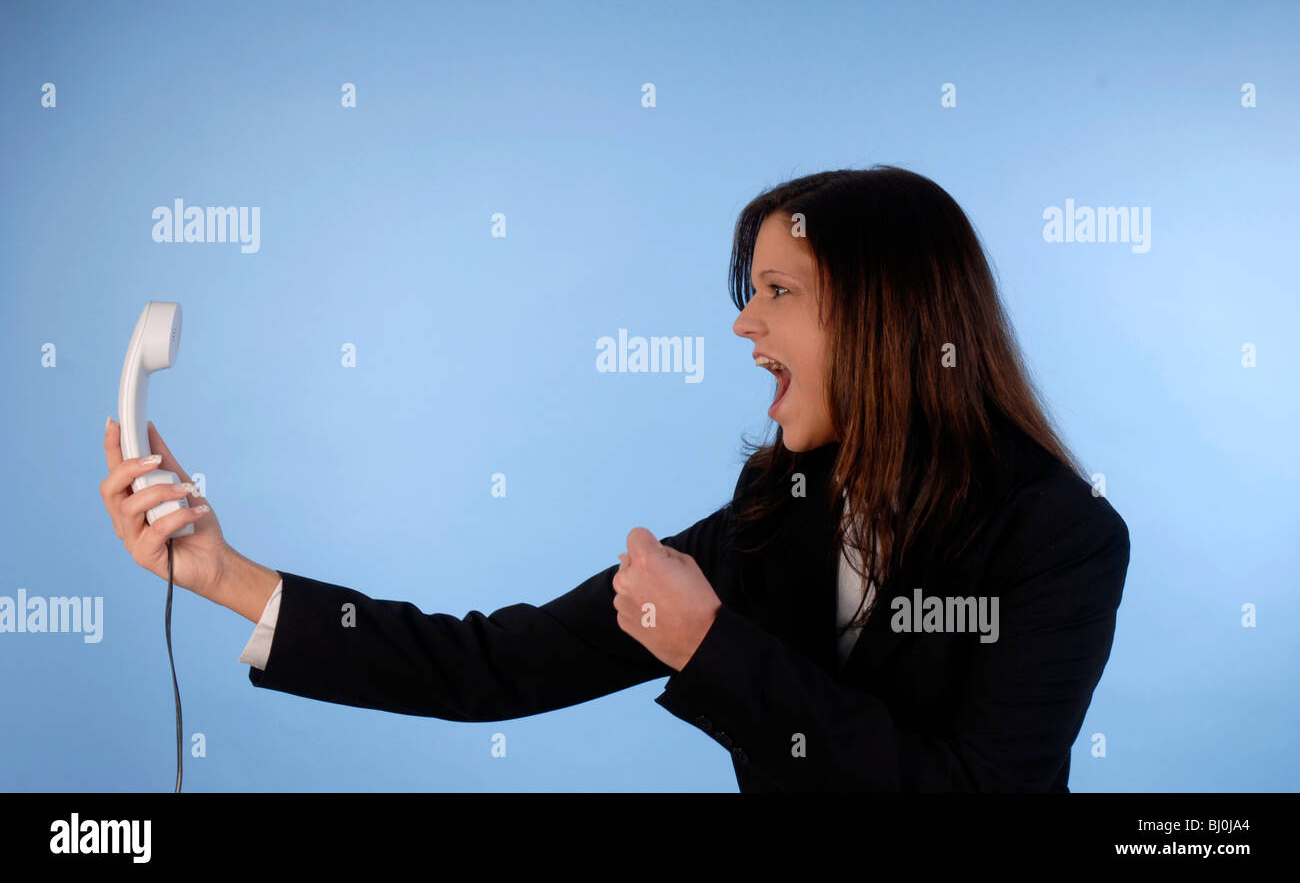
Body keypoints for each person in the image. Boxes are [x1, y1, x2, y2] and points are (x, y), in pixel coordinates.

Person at [99, 165, 1130, 791]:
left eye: (777, 291)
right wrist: (223, 573)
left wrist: (709, 646)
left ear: (885, 316)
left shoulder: (1058, 535)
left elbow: (971, 791)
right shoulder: (770, 521)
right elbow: (491, 666)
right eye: (748, 292)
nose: (743, 324)